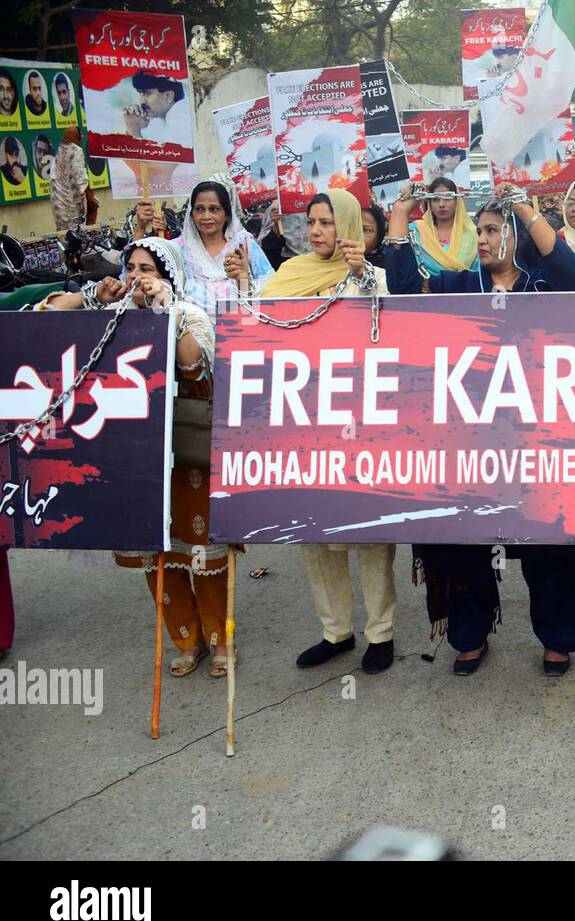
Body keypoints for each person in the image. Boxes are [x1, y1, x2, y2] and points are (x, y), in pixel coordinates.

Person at [386, 185, 575, 677]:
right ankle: (468, 635)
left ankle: (557, 639)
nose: (480, 239)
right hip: (468, 440)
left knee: (548, 541)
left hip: (538, 439)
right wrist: (400, 216)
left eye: (492, 230)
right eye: (478, 230)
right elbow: (400, 293)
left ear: (515, 235)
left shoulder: (543, 287)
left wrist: (525, 208)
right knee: (464, 540)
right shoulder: (458, 285)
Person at [37, 238, 235, 676]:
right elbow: (43, 320)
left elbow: (195, 367)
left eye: (148, 269)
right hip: (133, 455)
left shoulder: (187, 313)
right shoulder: (111, 319)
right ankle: (186, 641)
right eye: (131, 268)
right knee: (155, 554)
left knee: (200, 551)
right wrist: (94, 296)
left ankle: (221, 643)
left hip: (184, 453)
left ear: (168, 276)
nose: (137, 277)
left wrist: (165, 310)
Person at [260, 190, 399, 675]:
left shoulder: (372, 277)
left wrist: (361, 277)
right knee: (314, 533)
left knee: (368, 531)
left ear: (346, 226)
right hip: (303, 423)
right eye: (311, 223)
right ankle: (335, 631)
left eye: (327, 222)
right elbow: (257, 325)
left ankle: (380, 633)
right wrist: (240, 284)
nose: (317, 231)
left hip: (360, 422)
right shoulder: (287, 277)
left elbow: (395, 326)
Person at [174, 177, 273, 315]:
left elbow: (270, 285)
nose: (206, 216)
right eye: (200, 209)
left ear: (227, 214)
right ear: (192, 214)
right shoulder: (178, 249)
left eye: (214, 209)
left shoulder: (243, 243)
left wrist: (244, 281)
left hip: (240, 327)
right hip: (193, 331)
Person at [404, 176, 478, 279]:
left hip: (466, 292)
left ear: (457, 201)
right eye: (435, 199)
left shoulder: (473, 234)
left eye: (447, 198)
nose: (441, 204)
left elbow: (479, 272)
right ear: (429, 203)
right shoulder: (416, 230)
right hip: (426, 292)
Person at [123, 72, 191, 148]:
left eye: (147, 93)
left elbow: (162, 157)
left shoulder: (181, 117)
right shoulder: (161, 122)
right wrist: (135, 127)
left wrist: (134, 130)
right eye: (140, 93)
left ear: (168, 96)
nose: (142, 101)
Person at [50, 127, 89, 231]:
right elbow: (78, 172)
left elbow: (53, 177)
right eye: (80, 135)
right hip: (72, 199)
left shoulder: (60, 151)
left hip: (58, 201)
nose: (82, 137)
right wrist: (81, 191)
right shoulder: (77, 151)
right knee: (77, 232)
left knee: (64, 234)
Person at [360, 203, 387, 268]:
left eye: (366, 230)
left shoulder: (390, 266)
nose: (357, 235)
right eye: (351, 228)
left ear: (379, 234)